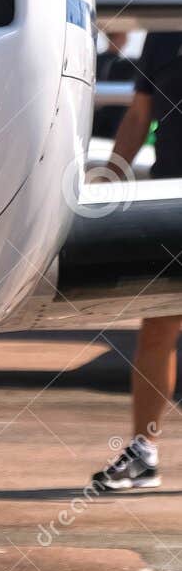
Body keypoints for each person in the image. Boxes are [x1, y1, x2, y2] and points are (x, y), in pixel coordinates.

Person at [90, 27, 182, 492]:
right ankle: (143, 453)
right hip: (173, 204)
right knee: (158, 328)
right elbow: (140, 114)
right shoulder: (164, 36)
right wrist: (110, 178)